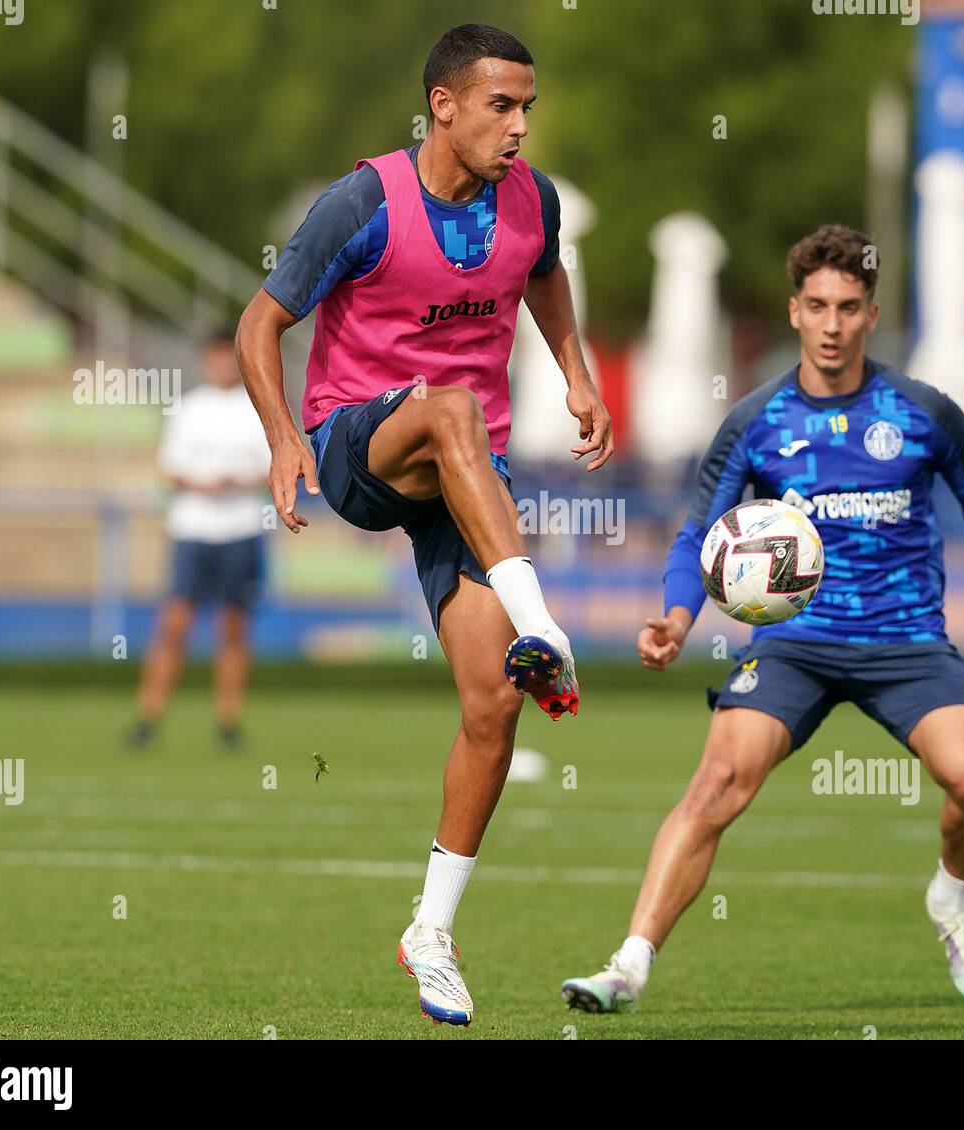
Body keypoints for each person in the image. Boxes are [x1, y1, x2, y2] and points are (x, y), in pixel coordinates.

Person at [561, 224, 964, 1014]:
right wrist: (676, 617)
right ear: (795, 311)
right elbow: (700, 530)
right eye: (819, 306)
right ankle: (626, 966)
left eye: (851, 307)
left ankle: (950, 898)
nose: (833, 324)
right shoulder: (757, 421)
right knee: (715, 784)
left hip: (907, 642)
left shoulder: (923, 411)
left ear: (871, 314)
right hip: (793, 645)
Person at [235, 24, 613, 1027]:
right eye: (502, 105)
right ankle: (546, 618)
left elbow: (546, 272)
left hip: (464, 475)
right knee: (449, 405)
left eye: (528, 106)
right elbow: (258, 322)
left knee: (493, 705)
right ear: (442, 105)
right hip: (363, 447)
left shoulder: (533, 201)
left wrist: (575, 370)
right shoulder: (361, 201)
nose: (520, 126)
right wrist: (282, 437)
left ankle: (431, 931)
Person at [125, 331, 272, 751]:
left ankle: (228, 722)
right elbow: (169, 467)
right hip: (192, 528)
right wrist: (201, 484)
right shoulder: (188, 408)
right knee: (174, 624)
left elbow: (273, 465)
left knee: (233, 626)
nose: (222, 364)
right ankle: (148, 716)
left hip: (241, 527)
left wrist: (236, 482)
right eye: (216, 357)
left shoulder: (257, 408)